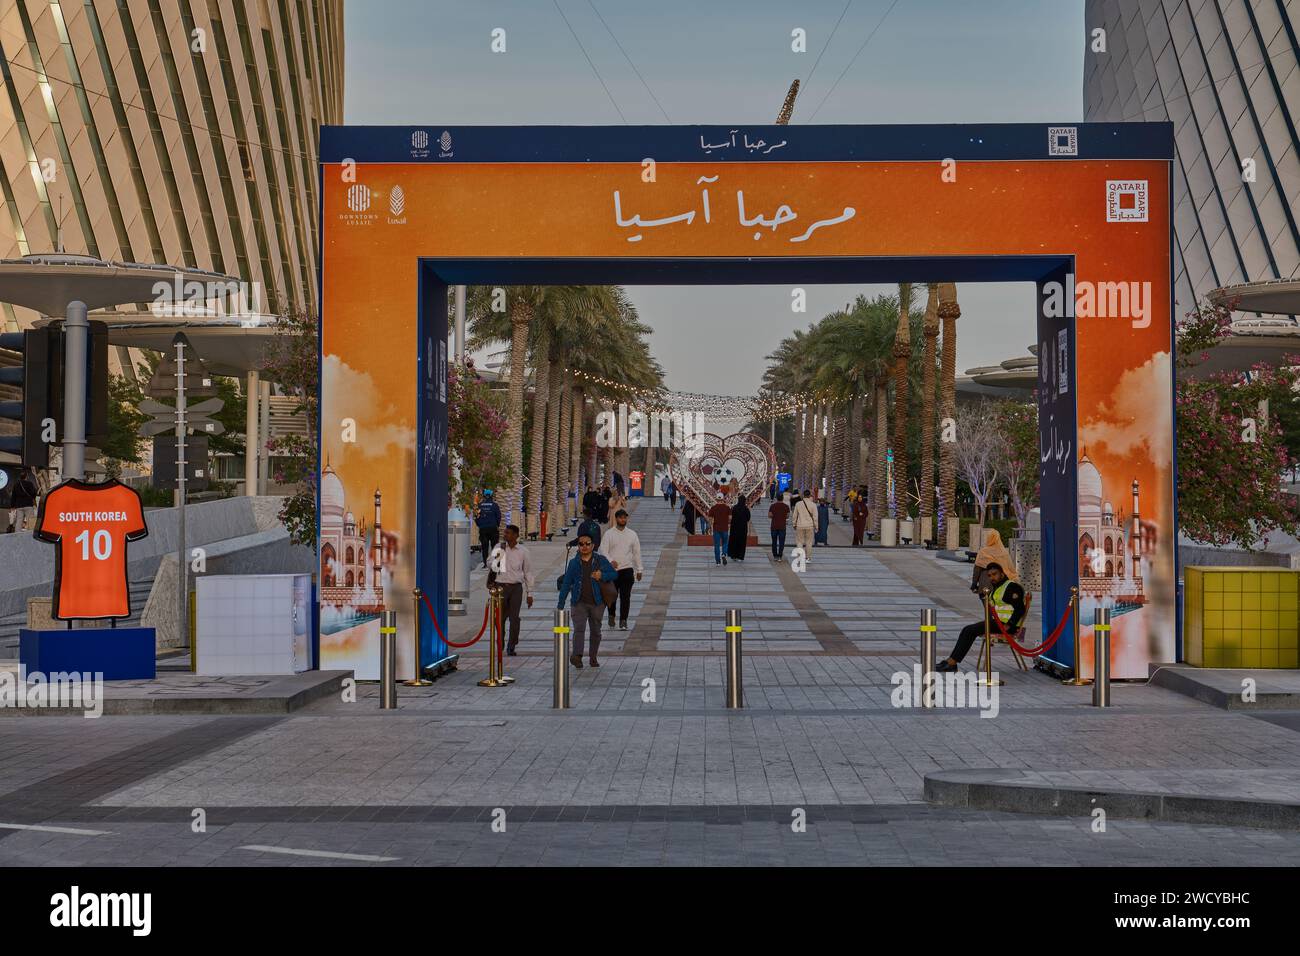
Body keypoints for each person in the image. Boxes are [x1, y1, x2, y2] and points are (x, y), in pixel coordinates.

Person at [936, 562, 1026, 671]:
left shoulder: (1011, 587)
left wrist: (1009, 624)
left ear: (1002, 574)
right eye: (989, 575)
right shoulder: (998, 587)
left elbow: (1020, 609)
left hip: (1007, 626)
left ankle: (952, 662)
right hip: (998, 623)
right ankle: (951, 661)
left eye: (995, 574)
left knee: (969, 630)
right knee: (968, 630)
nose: (992, 577)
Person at [557, 531, 616, 668]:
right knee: (579, 629)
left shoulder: (600, 560)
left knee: (595, 631)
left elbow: (613, 574)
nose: (584, 546)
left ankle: (593, 657)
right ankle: (577, 656)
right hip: (578, 602)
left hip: (597, 603)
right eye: (581, 544)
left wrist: (602, 575)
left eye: (587, 544)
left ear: (593, 545)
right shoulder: (573, 563)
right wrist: (561, 603)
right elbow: (566, 583)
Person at [490, 524, 534, 655]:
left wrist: (529, 593)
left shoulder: (523, 551)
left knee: (514, 619)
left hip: (516, 588)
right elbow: (489, 563)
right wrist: (496, 560)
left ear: (515, 535)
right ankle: (500, 642)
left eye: (508, 533)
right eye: (505, 533)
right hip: (500, 587)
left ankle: (512, 645)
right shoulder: (499, 547)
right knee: (500, 618)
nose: (505, 535)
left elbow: (528, 572)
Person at [599, 508, 643, 629]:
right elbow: (603, 550)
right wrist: (610, 561)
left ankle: (623, 620)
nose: (623, 519)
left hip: (627, 570)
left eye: (625, 517)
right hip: (612, 571)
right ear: (616, 519)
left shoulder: (632, 534)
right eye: (621, 517)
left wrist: (639, 569)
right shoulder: (609, 534)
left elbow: (636, 552)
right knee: (612, 595)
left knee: (625, 597)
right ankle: (611, 615)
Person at [972, 528, 1018, 592]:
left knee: (986, 601)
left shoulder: (983, 552)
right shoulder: (1004, 552)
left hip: (985, 587)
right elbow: (1011, 569)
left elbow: (977, 570)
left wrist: (974, 585)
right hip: (1002, 586)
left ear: (988, 538)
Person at [473, 490, 501, 569]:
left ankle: (485, 564)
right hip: (493, 528)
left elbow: (476, 516)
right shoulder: (495, 505)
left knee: (484, 547)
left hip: (483, 529)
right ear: (491, 496)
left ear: (484, 496)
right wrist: (497, 525)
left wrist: (479, 525)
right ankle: (495, 564)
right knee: (495, 546)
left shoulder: (480, 505)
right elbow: (498, 516)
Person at [7, 467, 39, 533]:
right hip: (28, 504)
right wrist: (32, 498)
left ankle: (17, 533)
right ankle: (30, 533)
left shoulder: (16, 485)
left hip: (19, 505)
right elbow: (34, 493)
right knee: (30, 519)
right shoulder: (29, 484)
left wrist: (12, 506)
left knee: (19, 520)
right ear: (26, 476)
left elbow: (13, 496)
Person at [791, 490, 817, 561]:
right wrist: (816, 526)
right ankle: (808, 558)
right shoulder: (813, 505)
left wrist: (794, 524)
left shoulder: (798, 504)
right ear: (809, 496)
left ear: (803, 495)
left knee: (799, 542)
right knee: (809, 542)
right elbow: (815, 517)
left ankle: (800, 557)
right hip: (810, 526)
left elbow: (794, 515)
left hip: (800, 525)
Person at [708, 493, 732, 566]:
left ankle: (718, 561)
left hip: (716, 529)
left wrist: (710, 527)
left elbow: (710, 519)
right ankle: (724, 554)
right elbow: (730, 518)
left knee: (717, 545)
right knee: (725, 543)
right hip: (725, 528)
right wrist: (728, 524)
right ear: (723, 499)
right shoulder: (727, 508)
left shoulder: (713, 508)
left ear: (716, 499)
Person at [727, 496, 751, 562]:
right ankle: (740, 556)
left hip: (734, 528)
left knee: (734, 541)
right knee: (742, 542)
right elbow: (748, 518)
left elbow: (731, 517)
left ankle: (733, 555)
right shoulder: (746, 509)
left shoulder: (734, 508)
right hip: (743, 528)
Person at [768, 492, 790, 561]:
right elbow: (787, 516)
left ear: (776, 498)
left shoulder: (772, 506)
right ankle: (780, 556)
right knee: (781, 542)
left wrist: (775, 515)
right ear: (783, 498)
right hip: (782, 526)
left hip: (774, 526)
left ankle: (775, 556)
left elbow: (769, 515)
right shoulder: (786, 506)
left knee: (774, 541)